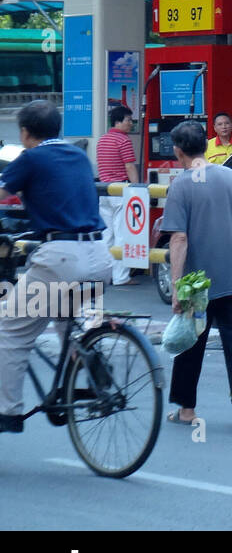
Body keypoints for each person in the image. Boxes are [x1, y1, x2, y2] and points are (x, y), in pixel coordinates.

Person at [0, 100, 113, 433]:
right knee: (67, 321)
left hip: (62, 259)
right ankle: (93, 368)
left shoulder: (30, 158)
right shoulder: (78, 155)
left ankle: (7, 411)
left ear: (24, 132)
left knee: (10, 329)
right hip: (100, 255)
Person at [160, 121, 232, 434]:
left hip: (199, 285)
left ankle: (187, 410)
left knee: (191, 345)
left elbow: (178, 240)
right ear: (205, 145)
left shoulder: (180, 186)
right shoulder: (231, 177)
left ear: (178, 151)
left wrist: (177, 289)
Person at [95, 105, 139, 286]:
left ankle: (103, 275)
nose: (130, 124)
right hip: (121, 191)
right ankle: (121, 277)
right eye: (128, 120)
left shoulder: (102, 140)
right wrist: (138, 188)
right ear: (118, 122)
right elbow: (129, 166)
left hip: (104, 191)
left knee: (107, 235)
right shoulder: (123, 140)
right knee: (122, 235)